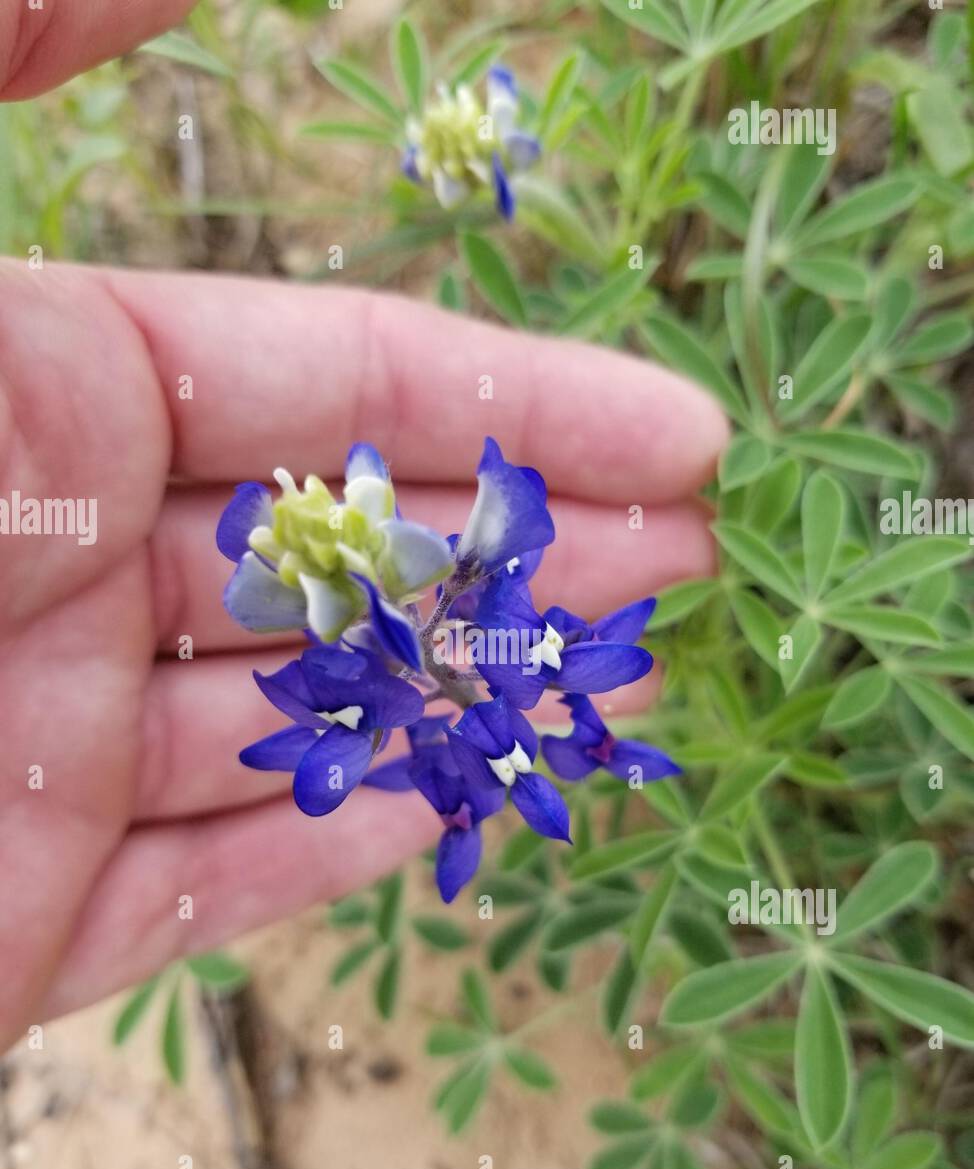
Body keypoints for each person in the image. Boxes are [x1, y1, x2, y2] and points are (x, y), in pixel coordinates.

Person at [0, 0, 727, 1048]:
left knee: (548, 646)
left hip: (508, 664)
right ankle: (527, 745)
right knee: (475, 701)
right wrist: (432, 735)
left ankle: (582, 730)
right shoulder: (371, 658)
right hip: (453, 680)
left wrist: (529, 684)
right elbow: (354, 701)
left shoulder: (462, 624)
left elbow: (474, 603)